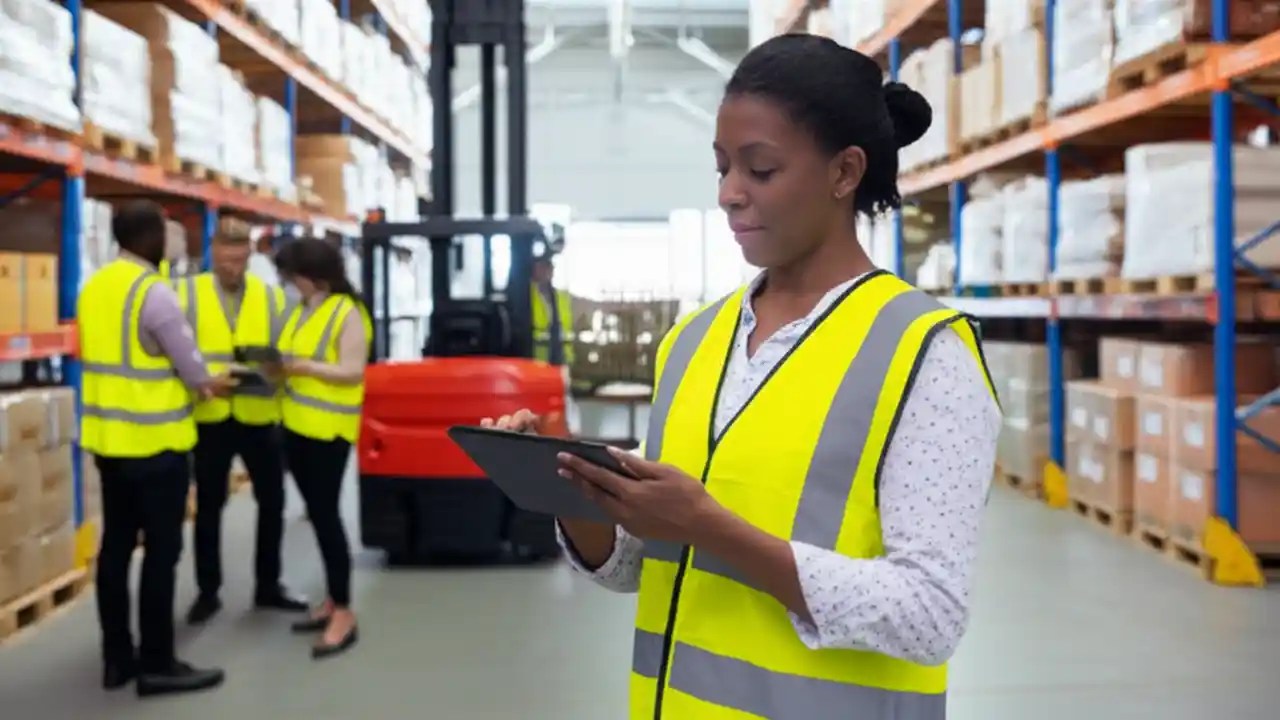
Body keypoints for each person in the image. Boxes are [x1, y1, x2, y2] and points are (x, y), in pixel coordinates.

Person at [485, 34, 1001, 719]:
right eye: (723, 167)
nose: (730, 194)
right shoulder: (692, 343)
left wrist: (713, 529)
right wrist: (577, 496)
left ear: (844, 173)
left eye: (760, 170)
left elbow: (929, 617)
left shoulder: (924, 355)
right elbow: (639, 566)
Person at [77, 200, 232, 697]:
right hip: (157, 446)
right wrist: (217, 381)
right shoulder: (155, 295)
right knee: (161, 554)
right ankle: (158, 662)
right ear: (151, 239)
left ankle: (116, 659)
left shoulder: (94, 287)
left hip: (109, 443)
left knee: (117, 549)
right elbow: (194, 373)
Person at [178, 219, 308, 625]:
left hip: (258, 413)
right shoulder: (186, 294)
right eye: (226, 258)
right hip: (212, 413)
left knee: (272, 502)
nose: (233, 266)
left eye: (240, 258)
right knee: (211, 505)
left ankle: (268, 585)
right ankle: (207, 591)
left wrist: (274, 366)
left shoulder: (272, 298)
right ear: (212, 253)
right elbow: (176, 349)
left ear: (250, 255)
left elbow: (288, 349)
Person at [269, 238, 371, 659]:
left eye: (294, 275)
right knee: (318, 517)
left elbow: (351, 371)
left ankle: (344, 611)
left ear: (315, 275)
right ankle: (330, 600)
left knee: (328, 519)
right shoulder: (304, 309)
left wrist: (302, 367)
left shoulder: (348, 312)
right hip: (295, 426)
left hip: (328, 432)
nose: (290, 283)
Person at [530, 255, 575, 367]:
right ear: (534, 270)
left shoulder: (563, 297)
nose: (547, 271)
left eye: (549, 267)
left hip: (562, 360)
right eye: (542, 267)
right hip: (537, 361)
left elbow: (569, 327)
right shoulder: (527, 296)